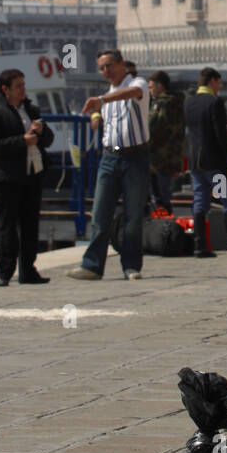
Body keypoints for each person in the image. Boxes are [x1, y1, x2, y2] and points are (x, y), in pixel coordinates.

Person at [68, 50, 150, 280]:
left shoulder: (138, 84)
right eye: (103, 68)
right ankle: (92, 265)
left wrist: (101, 101)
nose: (107, 71)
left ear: (122, 64)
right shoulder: (108, 96)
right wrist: (96, 115)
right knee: (100, 212)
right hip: (109, 157)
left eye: (110, 66)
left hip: (135, 156)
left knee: (133, 215)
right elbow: (103, 114)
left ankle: (131, 265)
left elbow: (133, 93)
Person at [0, 69, 54, 286]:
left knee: (30, 224)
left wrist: (40, 132)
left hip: (32, 174)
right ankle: (4, 271)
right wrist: (22, 140)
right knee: (8, 226)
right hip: (9, 177)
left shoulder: (32, 110)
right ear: (6, 90)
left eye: (23, 85)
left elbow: (48, 140)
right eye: (18, 86)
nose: (22, 90)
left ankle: (28, 269)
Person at [183, 67, 227, 257]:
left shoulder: (189, 103)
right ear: (213, 81)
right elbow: (221, 135)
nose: (219, 87)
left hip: (195, 162)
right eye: (219, 83)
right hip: (214, 162)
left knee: (200, 202)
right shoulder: (215, 102)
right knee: (226, 200)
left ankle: (199, 245)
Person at [147, 70, 185, 213]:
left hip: (159, 158)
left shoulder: (162, 103)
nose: (150, 91)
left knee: (159, 197)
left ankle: (162, 226)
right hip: (171, 157)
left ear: (160, 86)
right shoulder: (177, 102)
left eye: (151, 87)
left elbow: (154, 127)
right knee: (164, 195)